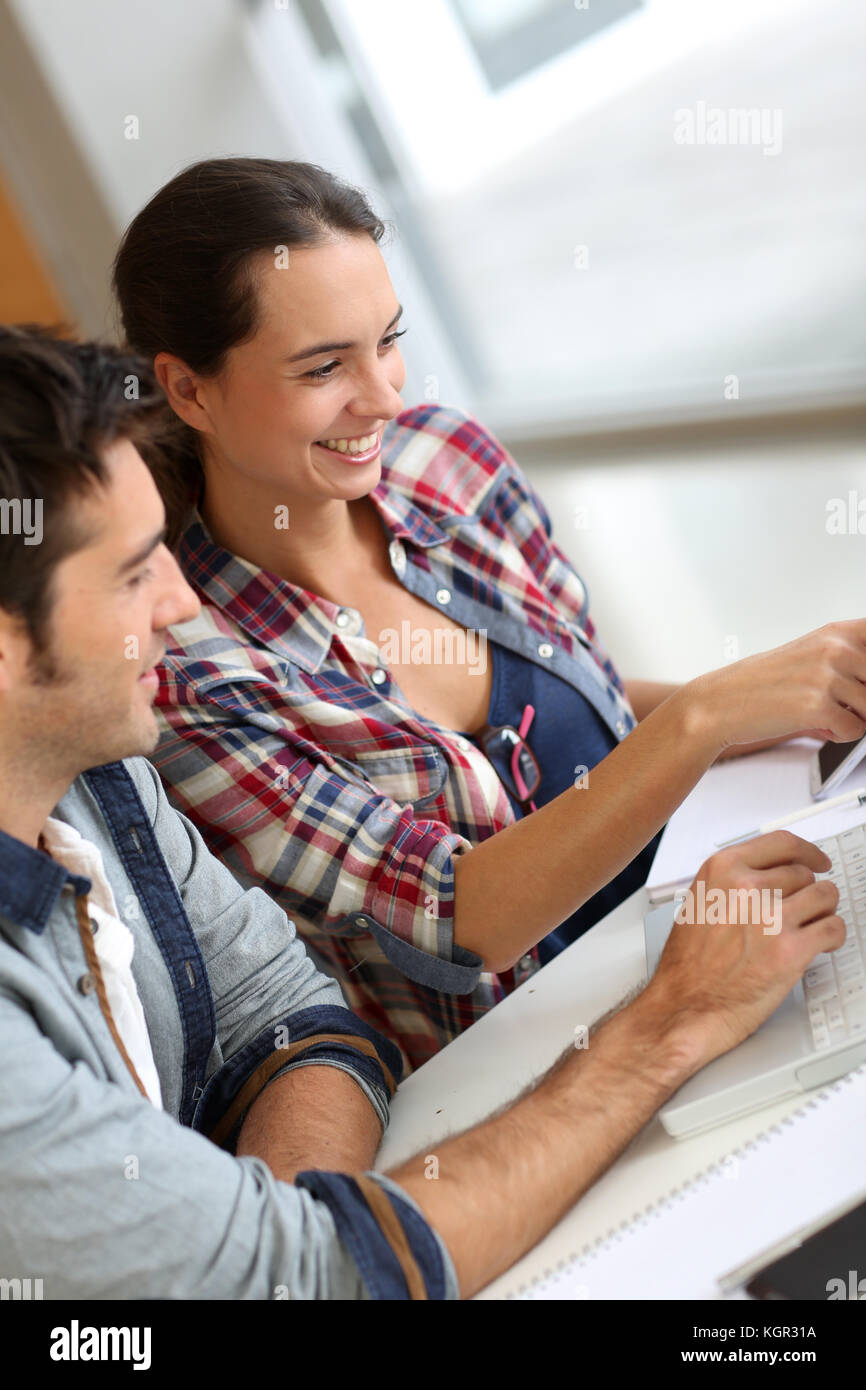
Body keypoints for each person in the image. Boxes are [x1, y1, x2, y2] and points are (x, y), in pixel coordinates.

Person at [0, 325, 855, 1300]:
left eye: (389, 339)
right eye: (131, 573)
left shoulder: (100, 781)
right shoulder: (179, 705)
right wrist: (673, 1018)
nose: (181, 603)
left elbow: (284, 1013)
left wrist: (303, 1230)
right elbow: (304, 1277)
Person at [114, 157, 836, 1073]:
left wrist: (795, 700)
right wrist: (706, 715)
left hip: (730, 937)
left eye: (388, 340)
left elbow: (594, 706)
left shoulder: (449, 462)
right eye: (324, 366)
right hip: (563, 1075)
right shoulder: (188, 678)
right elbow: (459, 917)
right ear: (188, 390)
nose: (385, 395)